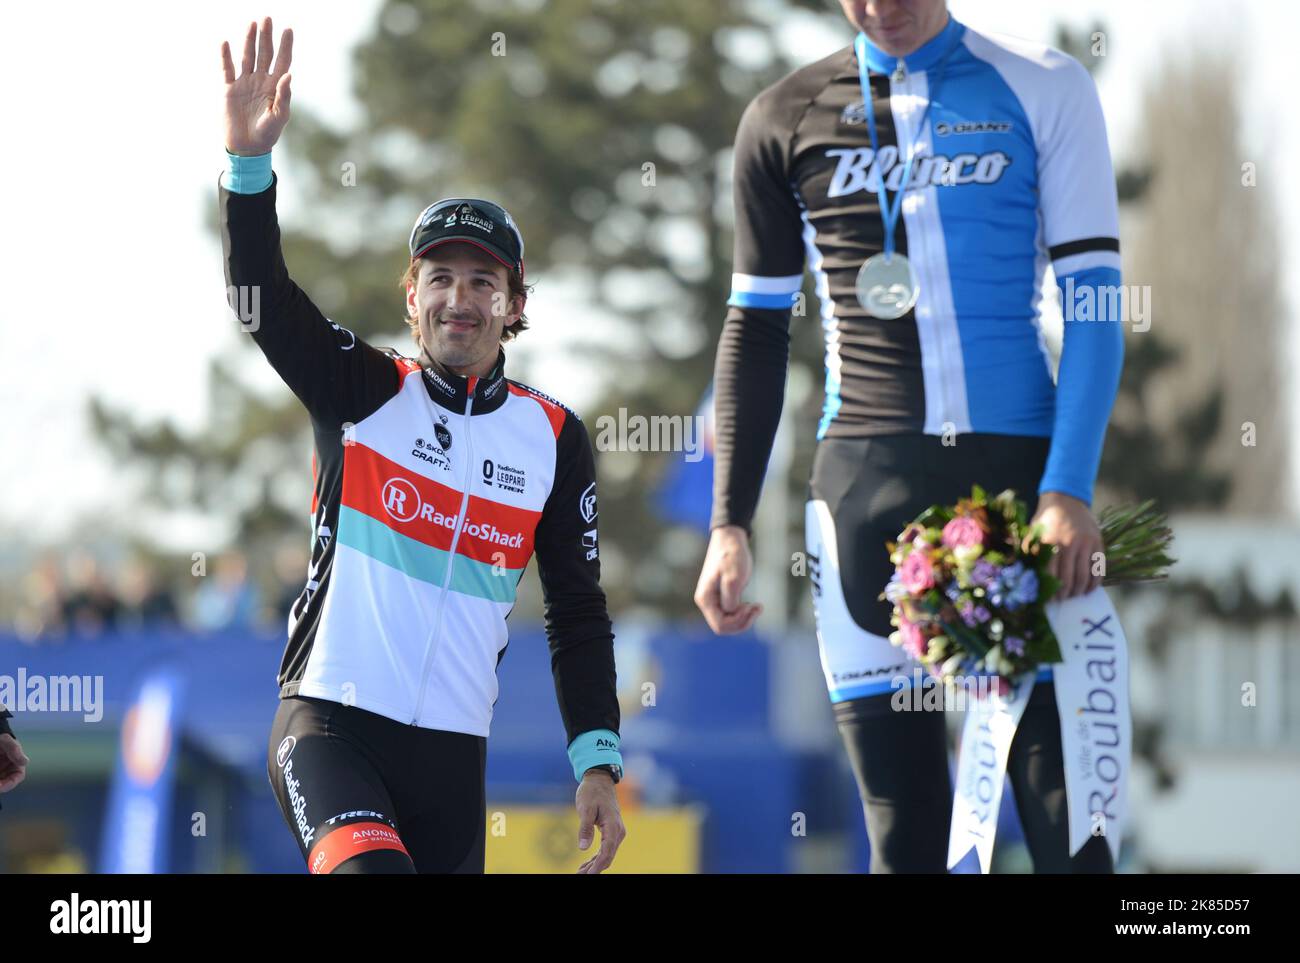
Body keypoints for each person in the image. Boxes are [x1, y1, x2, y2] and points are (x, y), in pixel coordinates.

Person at [694, 0, 1123, 873]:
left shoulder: (1045, 86)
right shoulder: (783, 115)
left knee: (1070, 829)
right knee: (905, 841)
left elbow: (1095, 305)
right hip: (862, 499)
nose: (880, 7)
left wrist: (1068, 487)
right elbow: (757, 327)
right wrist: (729, 522)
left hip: (1023, 494)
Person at [219, 18, 625, 874]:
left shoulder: (552, 437)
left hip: (452, 754)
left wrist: (595, 755)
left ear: (516, 303)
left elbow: (577, 609)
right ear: (412, 295)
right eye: (439, 277)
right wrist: (249, 168)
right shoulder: (364, 391)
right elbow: (261, 295)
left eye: (483, 280)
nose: (460, 299)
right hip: (329, 721)